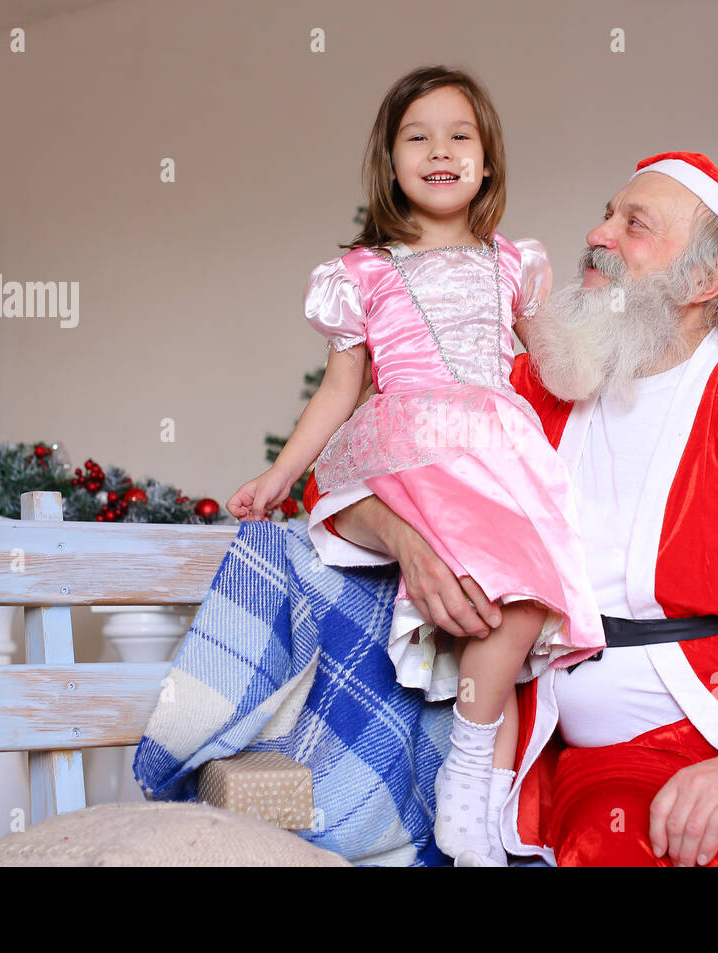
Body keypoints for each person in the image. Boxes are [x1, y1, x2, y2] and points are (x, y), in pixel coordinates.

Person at [303, 151, 718, 866]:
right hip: (605, 762)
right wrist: (405, 538)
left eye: (635, 225)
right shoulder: (534, 389)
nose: (598, 235)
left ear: (705, 279)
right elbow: (342, 473)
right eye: (604, 215)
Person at [226, 65, 604, 867]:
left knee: (519, 603)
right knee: (504, 594)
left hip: (496, 448)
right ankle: (468, 775)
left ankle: (479, 806)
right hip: (410, 443)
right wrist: (278, 478)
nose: (440, 150)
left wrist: (610, 327)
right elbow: (339, 391)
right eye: (417, 136)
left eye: (460, 135)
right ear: (390, 163)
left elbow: (560, 368)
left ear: (488, 160)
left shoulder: (516, 264)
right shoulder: (360, 273)